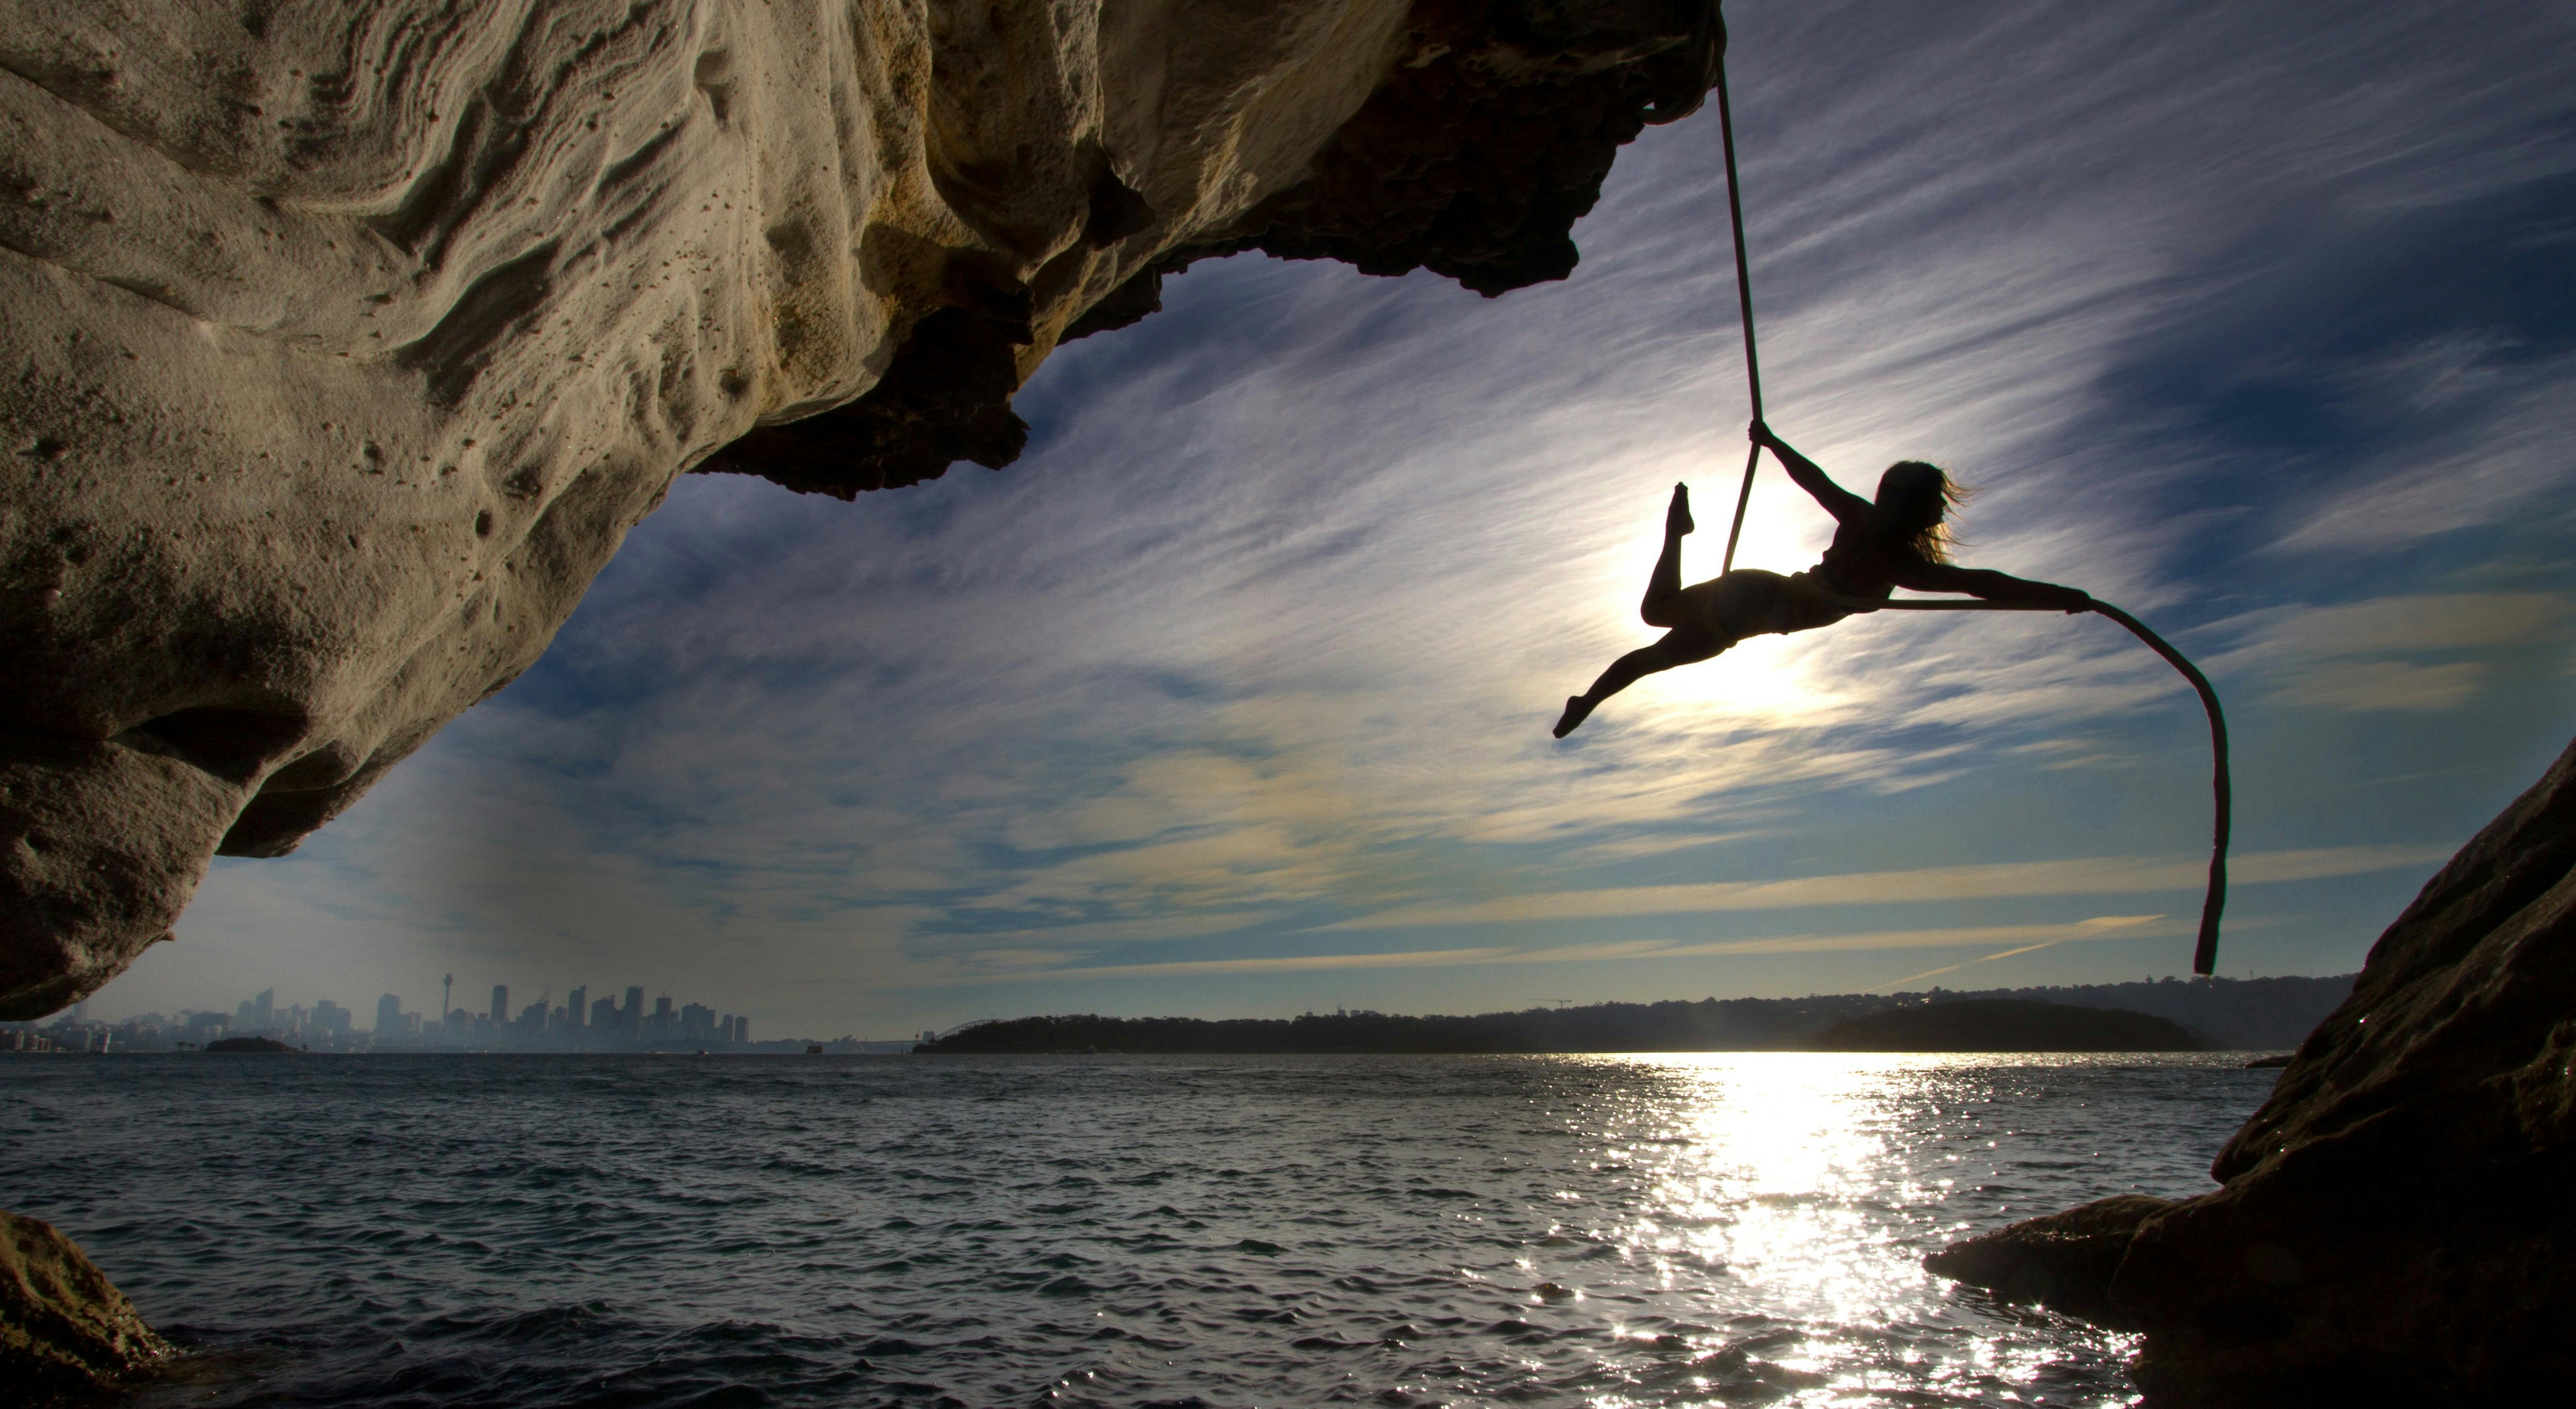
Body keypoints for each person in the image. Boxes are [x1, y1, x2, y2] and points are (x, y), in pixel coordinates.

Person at [1552, 421, 2092, 738]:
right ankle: (1587, 699)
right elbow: (1984, 583)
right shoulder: (1895, 560)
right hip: (1761, 608)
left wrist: (1772, 441)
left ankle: (1676, 533)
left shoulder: (1874, 535)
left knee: (1655, 613)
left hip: (1759, 589)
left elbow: (1815, 480)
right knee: (1647, 652)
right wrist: (2061, 597)